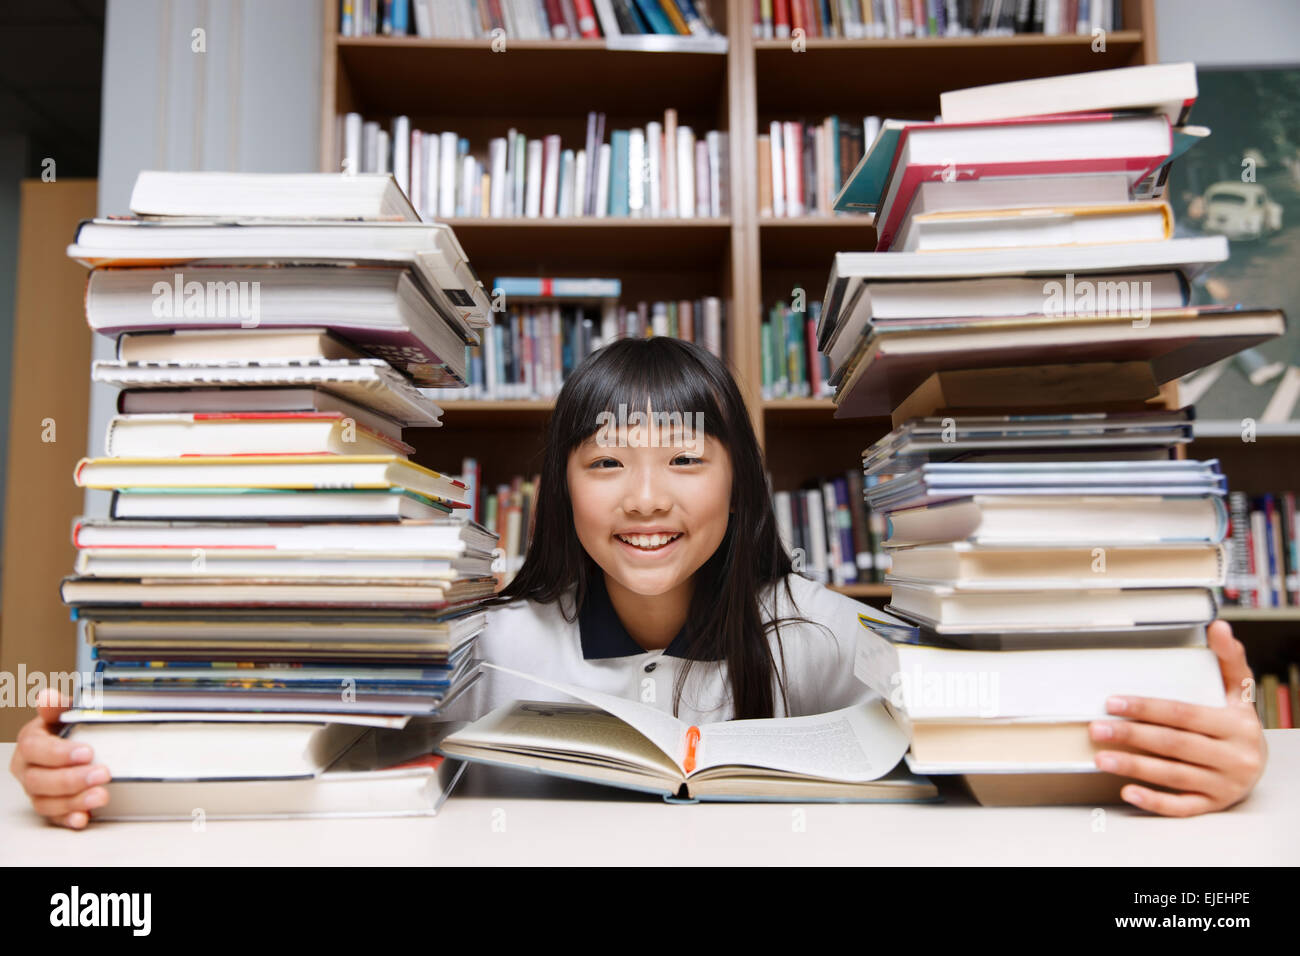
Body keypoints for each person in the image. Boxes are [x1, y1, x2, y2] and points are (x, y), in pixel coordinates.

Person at [10, 337, 1268, 825]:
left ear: (742, 479)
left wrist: (1182, 745)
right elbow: (290, 748)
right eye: (606, 461)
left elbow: (997, 740)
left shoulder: (820, 631)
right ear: (559, 488)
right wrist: (100, 757)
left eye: (685, 457)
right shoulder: (485, 645)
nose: (648, 497)